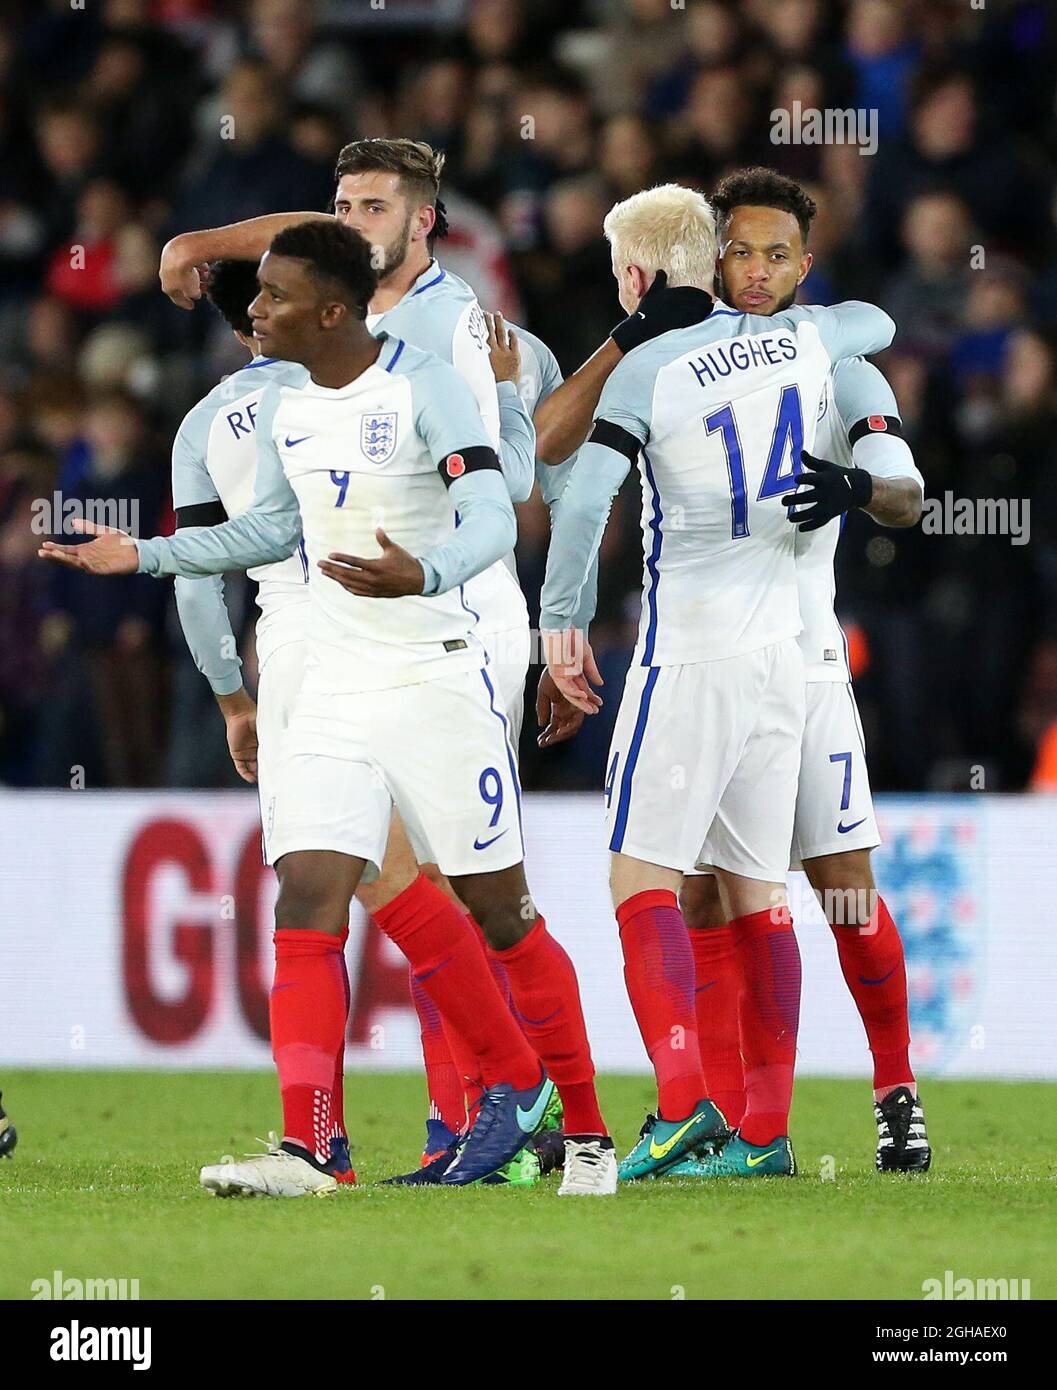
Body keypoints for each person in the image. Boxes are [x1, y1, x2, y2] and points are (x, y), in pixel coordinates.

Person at [41, 220, 615, 1197]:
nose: (263, 311)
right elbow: (268, 529)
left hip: (401, 658)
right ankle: (330, 1145)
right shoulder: (321, 406)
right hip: (352, 664)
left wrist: (234, 693)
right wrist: (137, 555)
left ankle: (541, 1116)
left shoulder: (258, 412)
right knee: (330, 891)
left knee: (478, 905)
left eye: (279, 293)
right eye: (257, 294)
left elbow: (482, 507)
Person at [539, 183, 895, 1181]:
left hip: (689, 650)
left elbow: (573, 499)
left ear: (640, 276)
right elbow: (872, 322)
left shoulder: (648, 362)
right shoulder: (804, 340)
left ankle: (682, 1104)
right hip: (790, 655)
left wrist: (559, 632)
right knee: (755, 896)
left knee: (639, 877)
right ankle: (765, 1135)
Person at [674, 166, 929, 1175]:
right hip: (698, 665)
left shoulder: (841, 362)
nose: (756, 268)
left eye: (777, 253)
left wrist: (861, 484)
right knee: (705, 892)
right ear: (715, 254)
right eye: (740, 248)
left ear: (803, 265)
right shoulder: (679, 358)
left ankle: (895, 1090)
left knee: (844, 892)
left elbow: (906, 490)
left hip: (803, 663)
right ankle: (742, 1125)